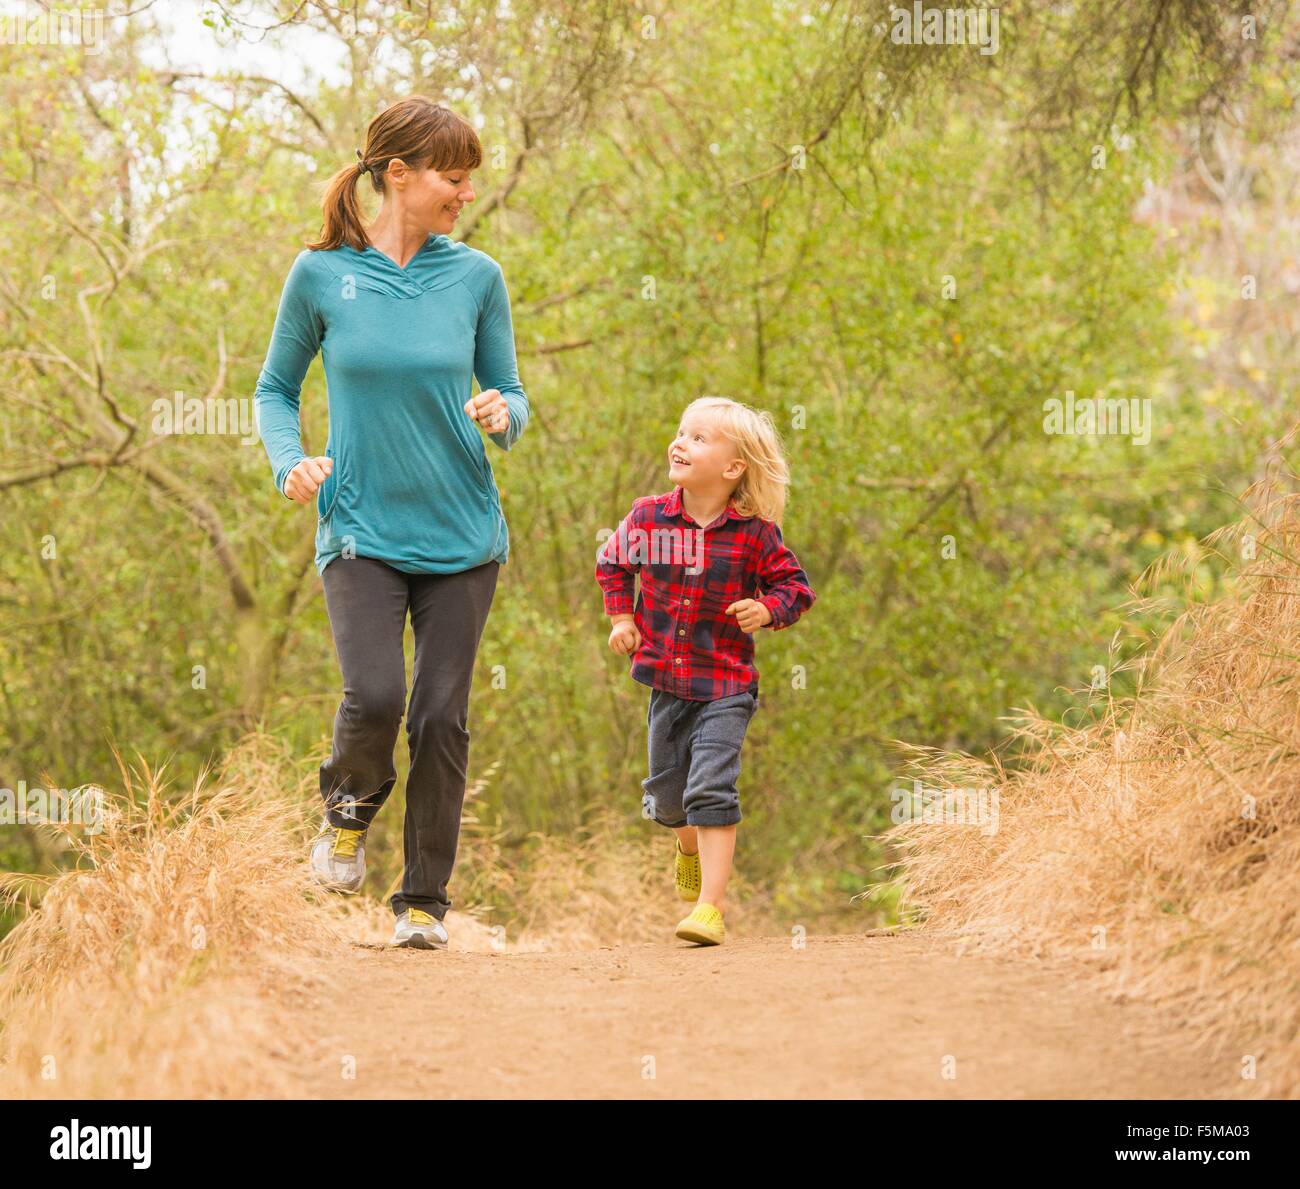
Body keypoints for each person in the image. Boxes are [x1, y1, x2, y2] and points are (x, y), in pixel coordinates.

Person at [252, 96, 529, 950]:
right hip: (360, 527)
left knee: (440, 716)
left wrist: (502, 414)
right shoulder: (320, 275)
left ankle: (422, 901)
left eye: (471, 178)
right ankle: (345, 814)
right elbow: (273, 390)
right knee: (374, 696)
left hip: (462, 533)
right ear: (398, 175)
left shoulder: (476, 277)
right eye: (454, 176)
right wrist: (289, 461)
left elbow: (512, 393)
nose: (466, 192)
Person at [594, 397, 816, 945]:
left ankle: (709, 908)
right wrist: (623, 618)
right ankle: (685, 842)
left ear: (733, 467)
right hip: (667, 685)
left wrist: (767, 610)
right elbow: (613, 563)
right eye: (680, 433)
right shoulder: (648, 517)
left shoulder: (755, 535)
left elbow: (796, 589)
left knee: (712, 788)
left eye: (697, 438)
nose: (679, 443)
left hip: (727, 685)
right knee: (669, 801)